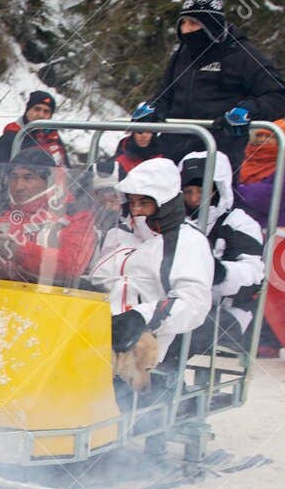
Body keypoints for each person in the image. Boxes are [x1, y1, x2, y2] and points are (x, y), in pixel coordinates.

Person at [132, 0, 285, 170]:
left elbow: (279, 95)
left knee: (209, 198)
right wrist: (153, 108)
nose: (186, 29)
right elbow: (166, 93)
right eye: (183, 23)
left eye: (194, 23)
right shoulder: (181, 54)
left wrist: (249, 109)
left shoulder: (241, 54)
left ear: (211, 26)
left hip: (219, 155)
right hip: (174, 152)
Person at [88, 157, 215, 390]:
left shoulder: (186, 241)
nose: (136, 211)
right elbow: (97, 276)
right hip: (95, 328)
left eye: (144, 203)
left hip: (144, 340)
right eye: (132, 203)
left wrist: (140, 317)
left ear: (164, 204)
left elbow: (193, 301)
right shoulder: (118, 234)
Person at [0, 148, 96, 285]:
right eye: (14, 177)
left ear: (48, 180)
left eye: (28, 177)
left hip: (49, 304)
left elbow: (72, 266)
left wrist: (21, 251)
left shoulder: (75, 215)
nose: (19, 186)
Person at [180, 151, 266, 346]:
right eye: (188, 192)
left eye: (201, 192)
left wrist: (220, 273)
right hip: (185, 304)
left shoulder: (238, 224)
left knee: (184, 327)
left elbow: (254, 275)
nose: (194, 199)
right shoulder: (179, 225)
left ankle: (168, 374)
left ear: (218, 191)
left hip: (228, 311)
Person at [234, 120, 285, 228]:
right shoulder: (241, 162)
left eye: (270, 137)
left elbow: (274, 196)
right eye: (260, 135)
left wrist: (238, 192)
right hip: (239, 227)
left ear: (280, 141)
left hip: (273, 231)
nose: (262, 140)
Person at [0, 90, 68, 166]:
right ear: (27, 110)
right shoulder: (12, 137)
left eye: (46, 111)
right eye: (37, 109)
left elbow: (66, 168)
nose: (41, 115)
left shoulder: (54, 138)